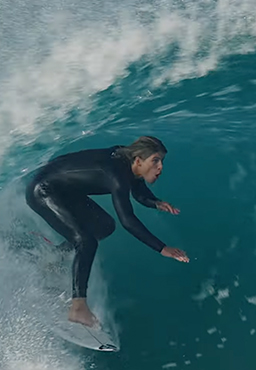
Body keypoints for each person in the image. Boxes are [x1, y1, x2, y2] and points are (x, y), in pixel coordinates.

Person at [25, 135, 189, 328]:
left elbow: (137, 187)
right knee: (86, 241)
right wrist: (162, 248)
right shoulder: (116, 175)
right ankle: (78, 306)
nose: (160, 167)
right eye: (155, 161)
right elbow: (127, 220)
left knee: (104, 226)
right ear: (138, 160)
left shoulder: (127, 160)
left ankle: (53, 258)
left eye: (161, 161)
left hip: (65, 190)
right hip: (43, 191)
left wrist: (155, 202)